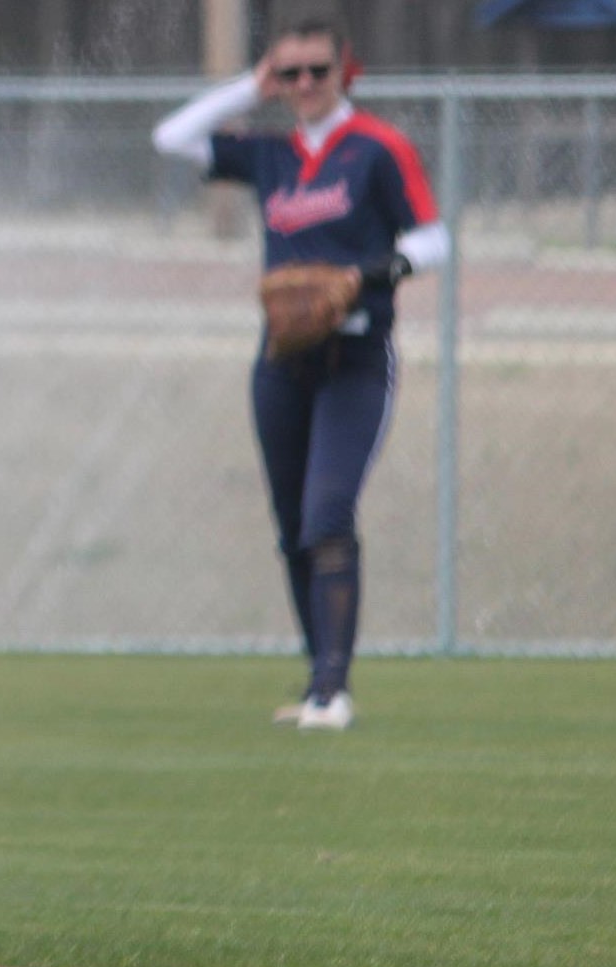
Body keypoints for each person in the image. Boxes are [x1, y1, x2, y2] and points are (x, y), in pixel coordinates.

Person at [152, 15, 448, 730]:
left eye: (318, 69)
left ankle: (334, 690)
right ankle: (320, 686)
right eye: (291, 73)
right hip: (282, 364)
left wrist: (366, 275)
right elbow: (173, 138)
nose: (306, 84)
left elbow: (434, 239)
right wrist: (248, 88)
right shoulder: (273, 156)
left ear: (346, 69)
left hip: (355, 356)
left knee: (327, 513)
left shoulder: (378, 148)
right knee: (292, 527)